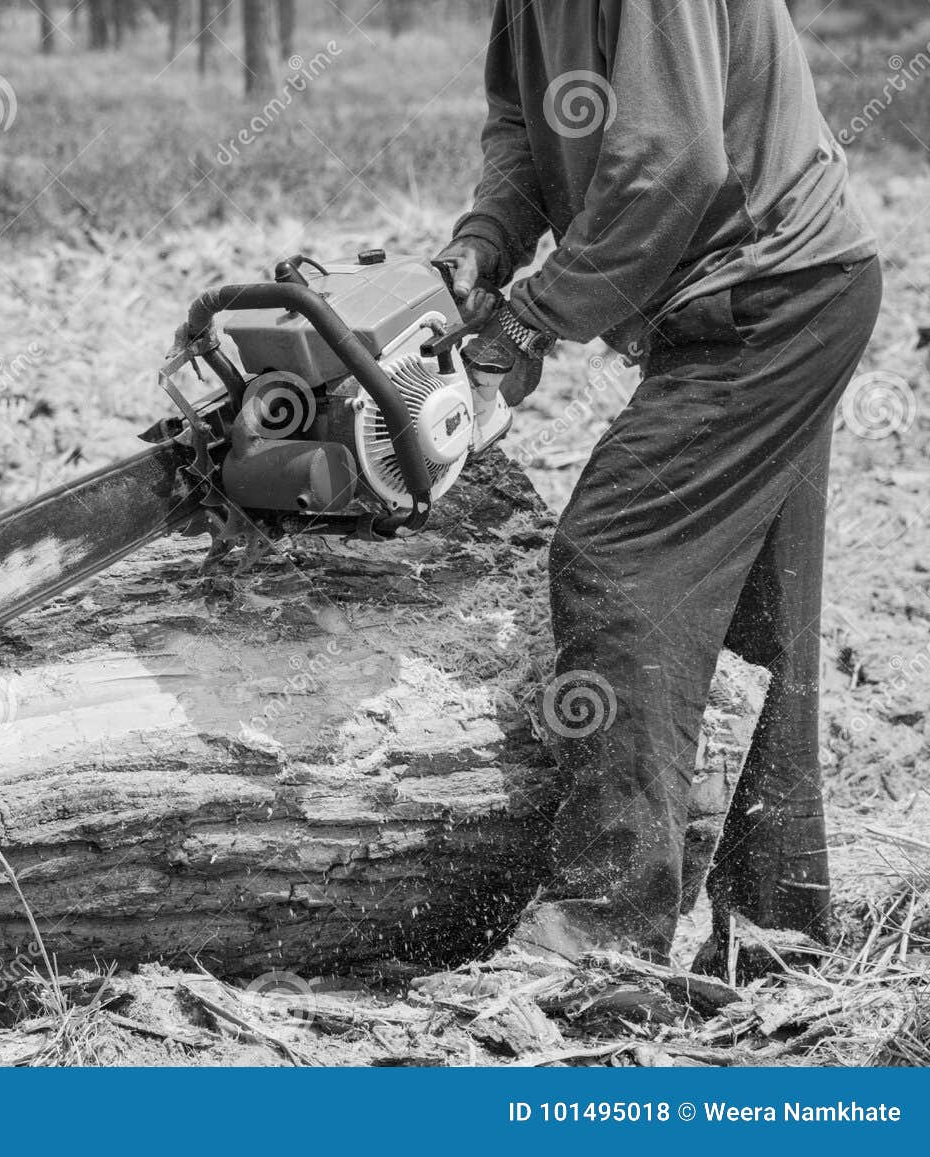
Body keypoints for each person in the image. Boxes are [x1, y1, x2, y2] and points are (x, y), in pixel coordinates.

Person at [434, 0, 881, 976]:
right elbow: (522, 123)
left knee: (615, 557)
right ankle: (777, 923)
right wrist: (487, 241)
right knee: (761, 613)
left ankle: (605, 929)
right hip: (777, 286)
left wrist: (529, 320)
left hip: (771, 290)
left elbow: (670, 163)